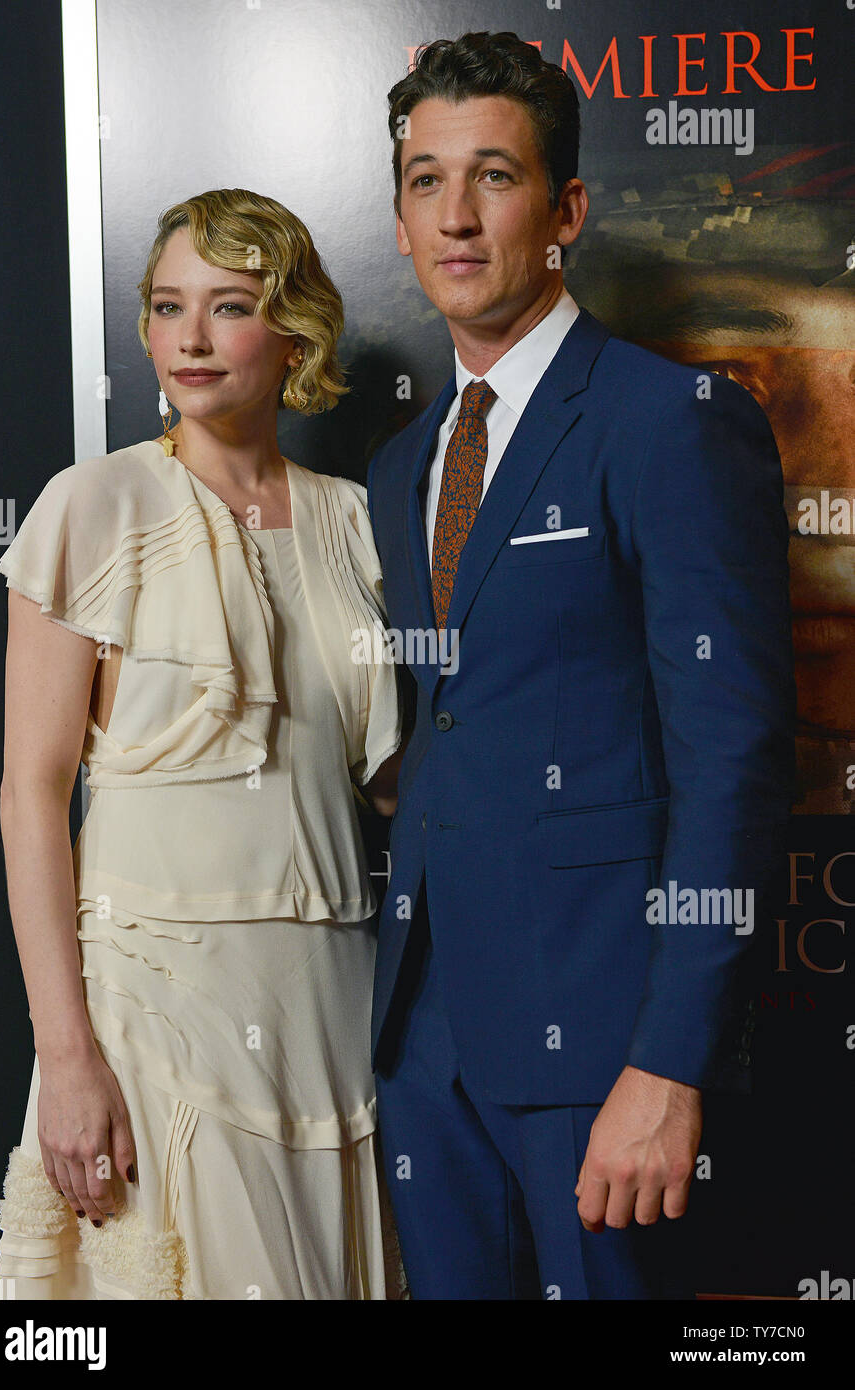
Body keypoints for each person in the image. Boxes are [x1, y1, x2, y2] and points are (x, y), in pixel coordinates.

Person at [367, 32, 796, 1299]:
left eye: (492, 177)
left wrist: (669, 1063)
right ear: (396, 215)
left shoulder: (671, 422)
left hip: (607, 1049)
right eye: (424, 180)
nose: (455, 216)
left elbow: (734, 758)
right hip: (424, 1042)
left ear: (564, 211)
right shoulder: (405, 466)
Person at [0, 187, 406, 1300]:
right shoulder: (93, 504)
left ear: (296, 330)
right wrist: (68, 1054)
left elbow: (395, 790)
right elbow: (29, 795)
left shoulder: (360, 521)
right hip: (152, 1011)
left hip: (330, 1005)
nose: (188, 337)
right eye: (167, 307)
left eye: (229, 306)